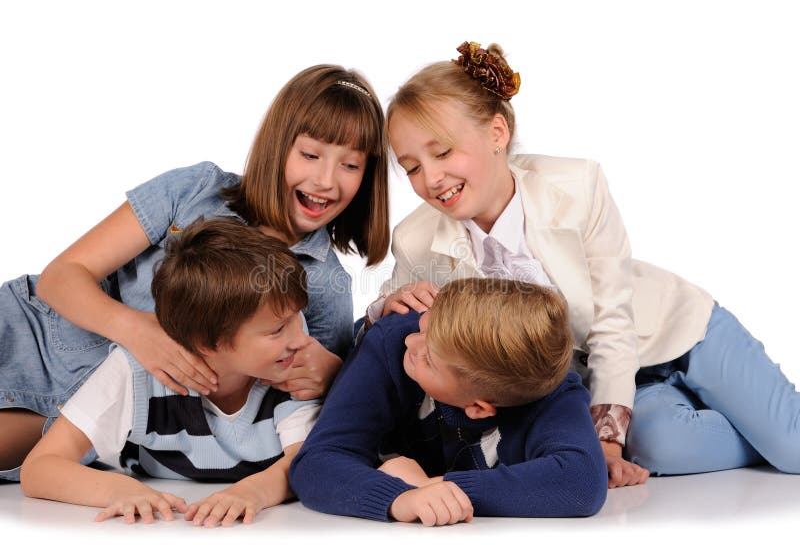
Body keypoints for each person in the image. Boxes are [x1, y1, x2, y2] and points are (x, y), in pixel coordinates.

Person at [372, 41, 800, 487]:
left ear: (497, 133)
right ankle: (749, 427)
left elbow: (615, 318)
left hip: (674, 332)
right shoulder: (416, 238)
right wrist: (387, 305)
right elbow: (391, 316)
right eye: (412, 167)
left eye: (441, 153)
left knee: (792, 448)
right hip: (608, 379)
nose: (431, 179)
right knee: (660, 448)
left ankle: (770, 428)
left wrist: (609, 441)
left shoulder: (577, 185)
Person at [0, 64, 389, 481]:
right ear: (279, 147)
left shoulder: (327, 287)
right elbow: (63, 276)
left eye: (350, 165)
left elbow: (305, 412)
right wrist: (138, 331)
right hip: (35, 334)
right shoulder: (195, 191)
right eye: (310, 155)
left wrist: (330, 371)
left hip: (87, 416)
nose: (326, 180)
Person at [21, 217, 320, 527]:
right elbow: (40, 467)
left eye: (297, 316)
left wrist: (253, 492)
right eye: (278, 329)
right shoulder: (136, 370)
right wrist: (117, 489)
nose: (301, 338)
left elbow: (307, 460)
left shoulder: (295, 363)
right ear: (208, 343)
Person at [290, 278, 608, 525]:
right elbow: (317, 462)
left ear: (478, 408)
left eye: (428, 358)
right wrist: (399, 499)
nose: (411, 343)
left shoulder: (549, 387)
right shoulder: (393, 340)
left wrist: (431, 486)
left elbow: (581, 482)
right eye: (424, 324)